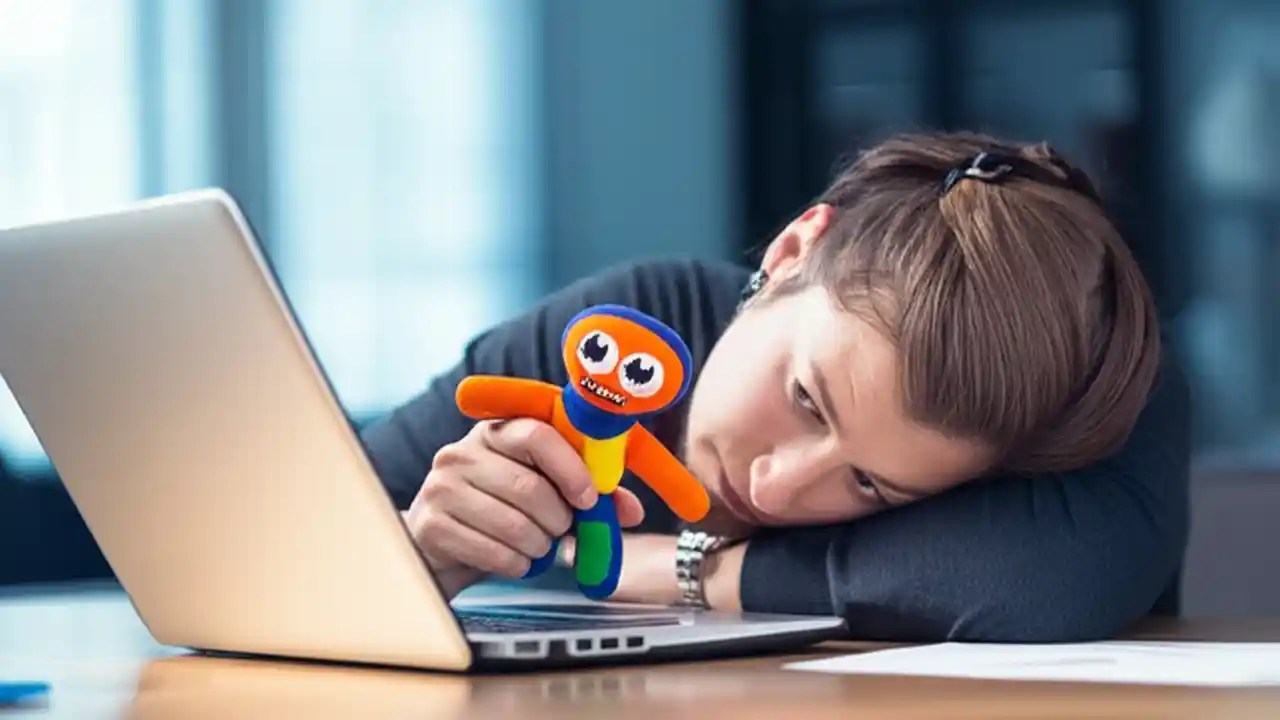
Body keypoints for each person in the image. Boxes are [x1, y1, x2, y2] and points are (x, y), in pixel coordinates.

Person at [360, 132, 1190, 642]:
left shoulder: (1063, 416)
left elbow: (1034, 589)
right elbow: (271, 550)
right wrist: (421, 556)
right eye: (805, 399)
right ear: (793, 250)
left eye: (868, 484)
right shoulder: (624, 336)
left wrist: (680, 571)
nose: (776, 485)